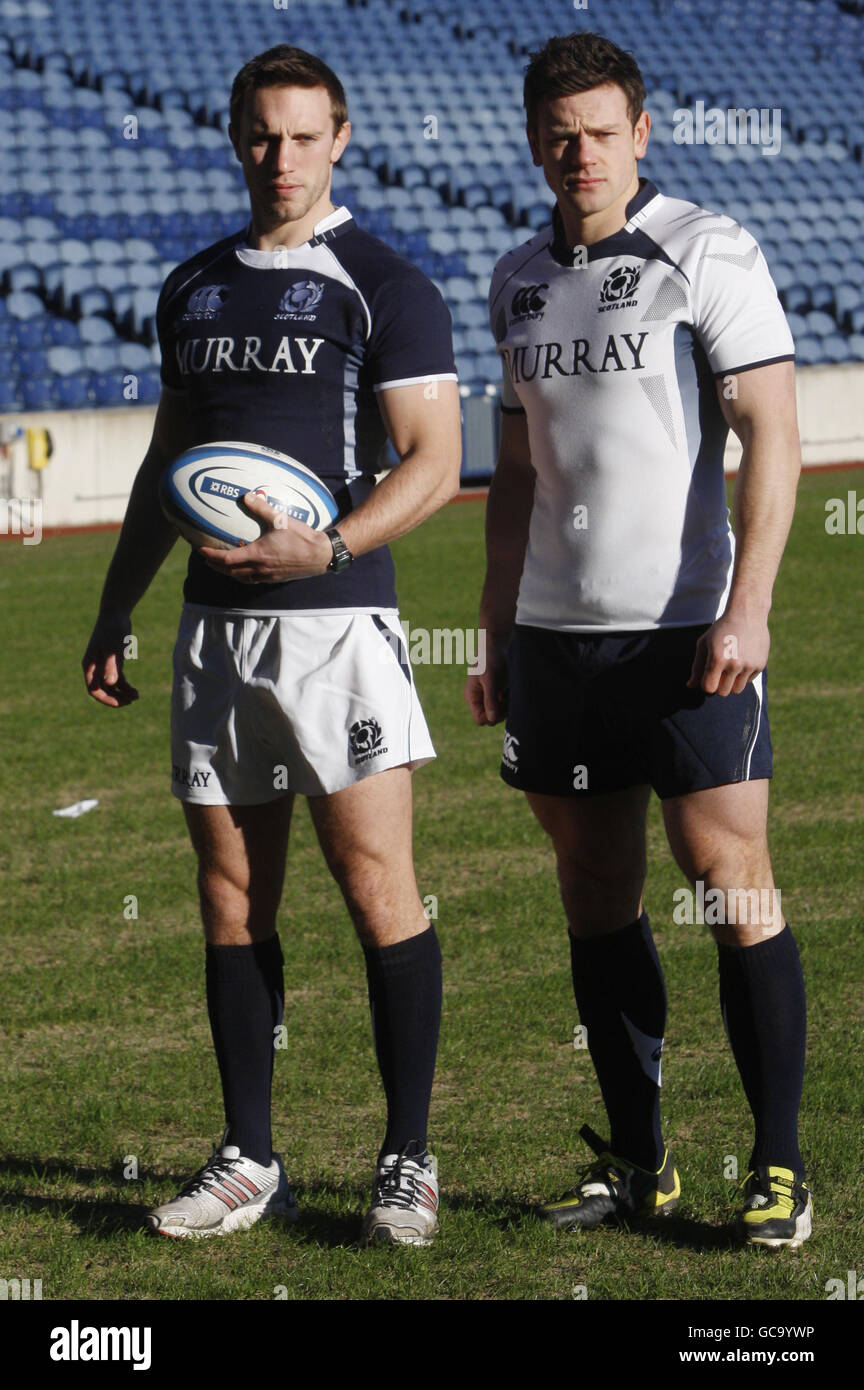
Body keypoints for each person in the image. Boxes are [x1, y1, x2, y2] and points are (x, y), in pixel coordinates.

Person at [83, 44, 461, 1247]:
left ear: (339, 139)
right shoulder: (192, 285)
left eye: (303, 136)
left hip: (338, 626)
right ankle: (252, 1155)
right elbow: (164, 467)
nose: (281, 158)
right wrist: (113, 607)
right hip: (214, 632)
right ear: (235, 135)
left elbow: (436, 463)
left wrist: (333, 546)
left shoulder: (384, 283)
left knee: (375, 886)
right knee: (232, 897)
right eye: (261, 134)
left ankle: (407, 1156)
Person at [465, 30, 810, 1249]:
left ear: (641, 132)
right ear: (533, 141)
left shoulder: (706, 250)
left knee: (729, 883)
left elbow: (773, 431)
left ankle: (777, 1169)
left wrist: (750, 603)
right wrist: (495, 626)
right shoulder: (513, 277)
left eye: (602, 131)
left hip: (686, 634)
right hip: (559, 644)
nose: (580, 154)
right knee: (597, 893)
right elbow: (512, 470)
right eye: (559, 135)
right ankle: (638, 1162)